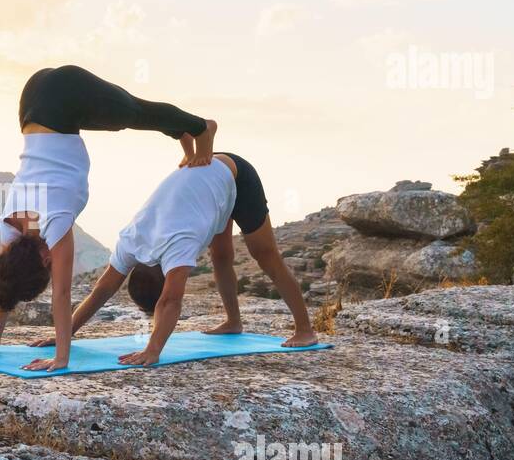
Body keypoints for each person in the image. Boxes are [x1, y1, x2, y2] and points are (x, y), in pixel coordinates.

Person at [0, 64, 216, 371]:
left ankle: (201, 127)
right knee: (121, 117)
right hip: (34, 103)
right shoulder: (9, 224)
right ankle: (181, 134)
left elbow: (62, 294)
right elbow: (5, 286)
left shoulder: (54, 222)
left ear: (42, 260)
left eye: (47, 266)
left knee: (130, 111)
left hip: (65, 94)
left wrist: (61, 358)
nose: (54, 263)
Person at [28, 152, 318, 366]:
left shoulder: (177, 246)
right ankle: (233, 322)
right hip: (205, 189)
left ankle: (305, 330)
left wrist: (153, 350)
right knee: (220, 256)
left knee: (265, 256)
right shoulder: (131, 241)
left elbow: (170, 301)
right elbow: (102, 290)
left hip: (236, 176)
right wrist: (64, 334)